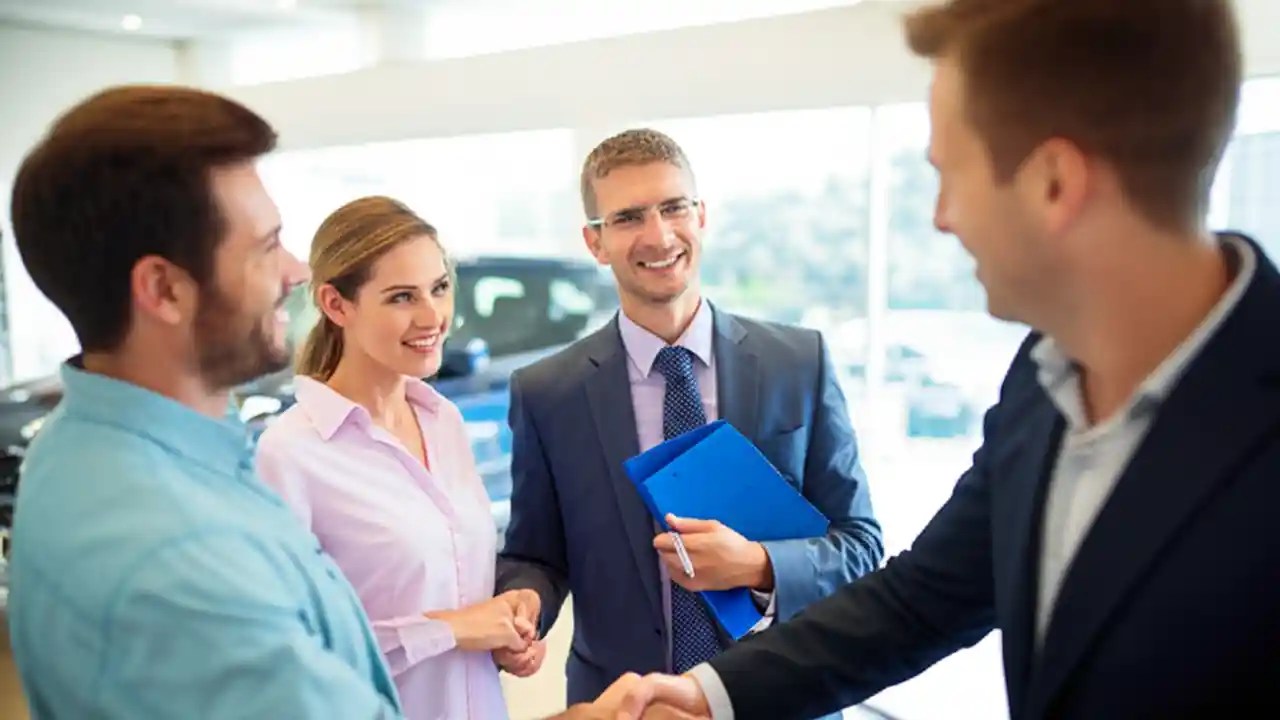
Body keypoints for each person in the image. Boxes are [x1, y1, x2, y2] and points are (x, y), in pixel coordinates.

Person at [614, 1, 1280, 718]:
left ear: (1054, 183)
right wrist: (710, 694)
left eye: (950, 173)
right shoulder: (1042, 376)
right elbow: (923, 601)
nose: (942, 216)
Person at [4, 85, 400, 717]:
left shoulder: (76, 443)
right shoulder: (182, 565)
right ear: (163, 289)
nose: (297, 271)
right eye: (267, 246)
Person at [495, 128, 884, 712]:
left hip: (781, 697)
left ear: (700, 216)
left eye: (673, 207)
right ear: (595, 243)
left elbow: (860, 544)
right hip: (626, 704)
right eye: (627, 218)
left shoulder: (798, 363)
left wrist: (758, 564)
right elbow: (537, 553)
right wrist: (523, 605)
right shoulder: (549, 393)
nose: (658, 235)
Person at [255, 196, 544, 720]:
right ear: (336, 305)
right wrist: (451, 629)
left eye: (439, 288)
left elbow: (458, 589)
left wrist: (504, 629)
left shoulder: (443, 421)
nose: (433, 316)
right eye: (401, 297)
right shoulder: (290, 454)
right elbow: (282, 651)